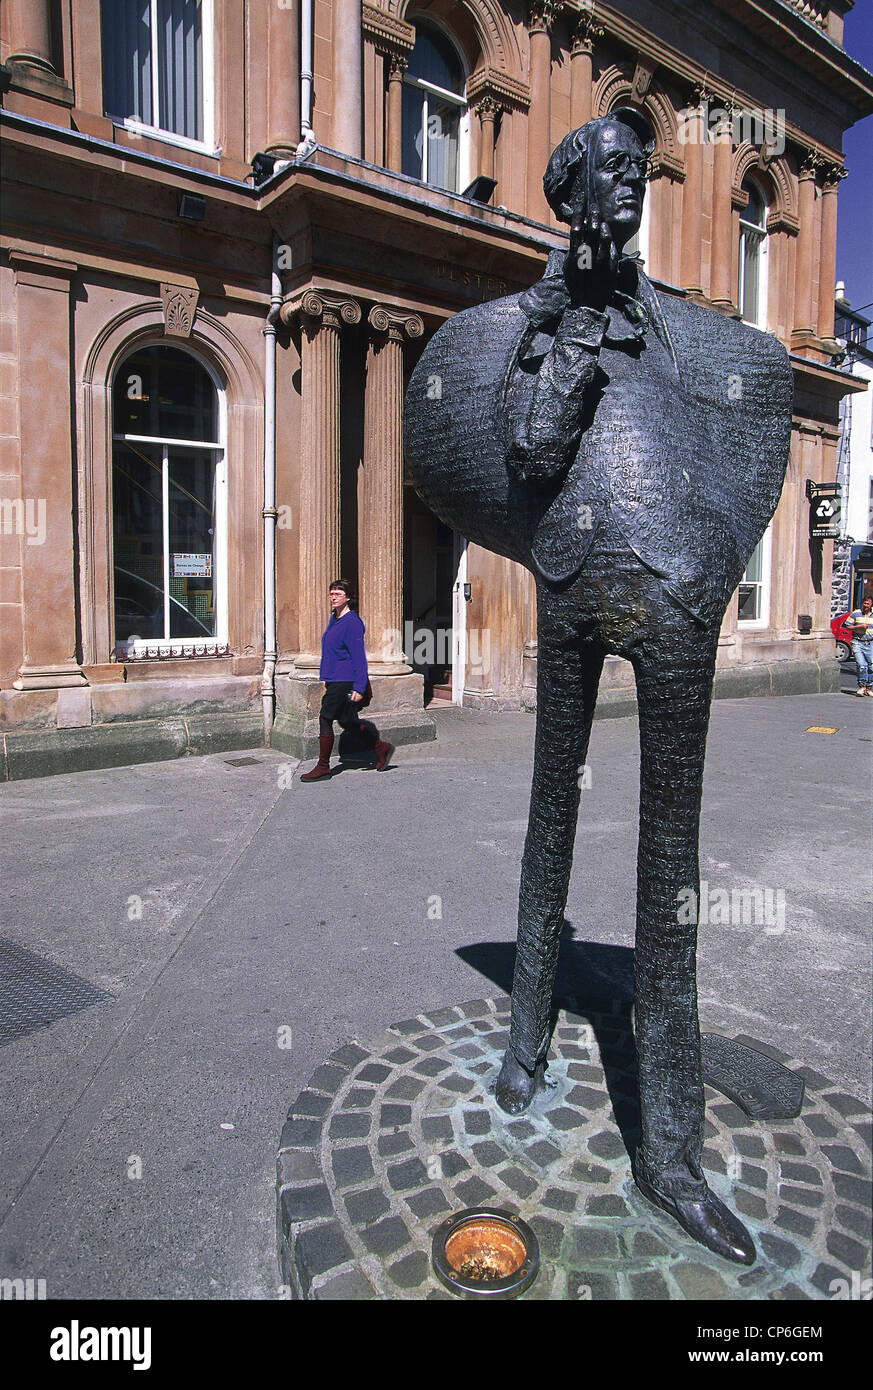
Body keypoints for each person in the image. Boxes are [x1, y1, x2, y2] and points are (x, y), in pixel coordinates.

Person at [404, 109, 794, 1266]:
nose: (628, 187)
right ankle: (528, 1029)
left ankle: (669, 1155)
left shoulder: (679, 326)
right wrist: (566, 333)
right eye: (608, 174)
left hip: (675, 595)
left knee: (669, 869)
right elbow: (523, 451)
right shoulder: (541, 317)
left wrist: (717, 543)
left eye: (637, 171)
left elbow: (729, 420)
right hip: (574, 584)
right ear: (572, 195)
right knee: (550, 808)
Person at [300, 580, 393, 781]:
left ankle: (323, 766)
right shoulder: (334, 619)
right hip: (335, 679)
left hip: (345, 680)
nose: (333, 597)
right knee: (347, 721)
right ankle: (381, 748)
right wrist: (326, 677)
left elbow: (359, 657)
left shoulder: (352, 623)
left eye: (338, 594)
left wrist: (359, 687)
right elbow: (331, 652)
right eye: (331, 593)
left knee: (325, 718)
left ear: (348, 597)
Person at [847, 594, 873, 695]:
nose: (866, 605)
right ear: (862, 603)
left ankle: (869, 687)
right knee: (862, 665)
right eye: (865, 603)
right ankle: (862, 686)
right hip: (857, 642)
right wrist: (859, 627)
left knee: (871, 665)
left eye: (868, 603)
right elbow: (847, 626)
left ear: (871, 604)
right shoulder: (856, 613)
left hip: (870, 642)